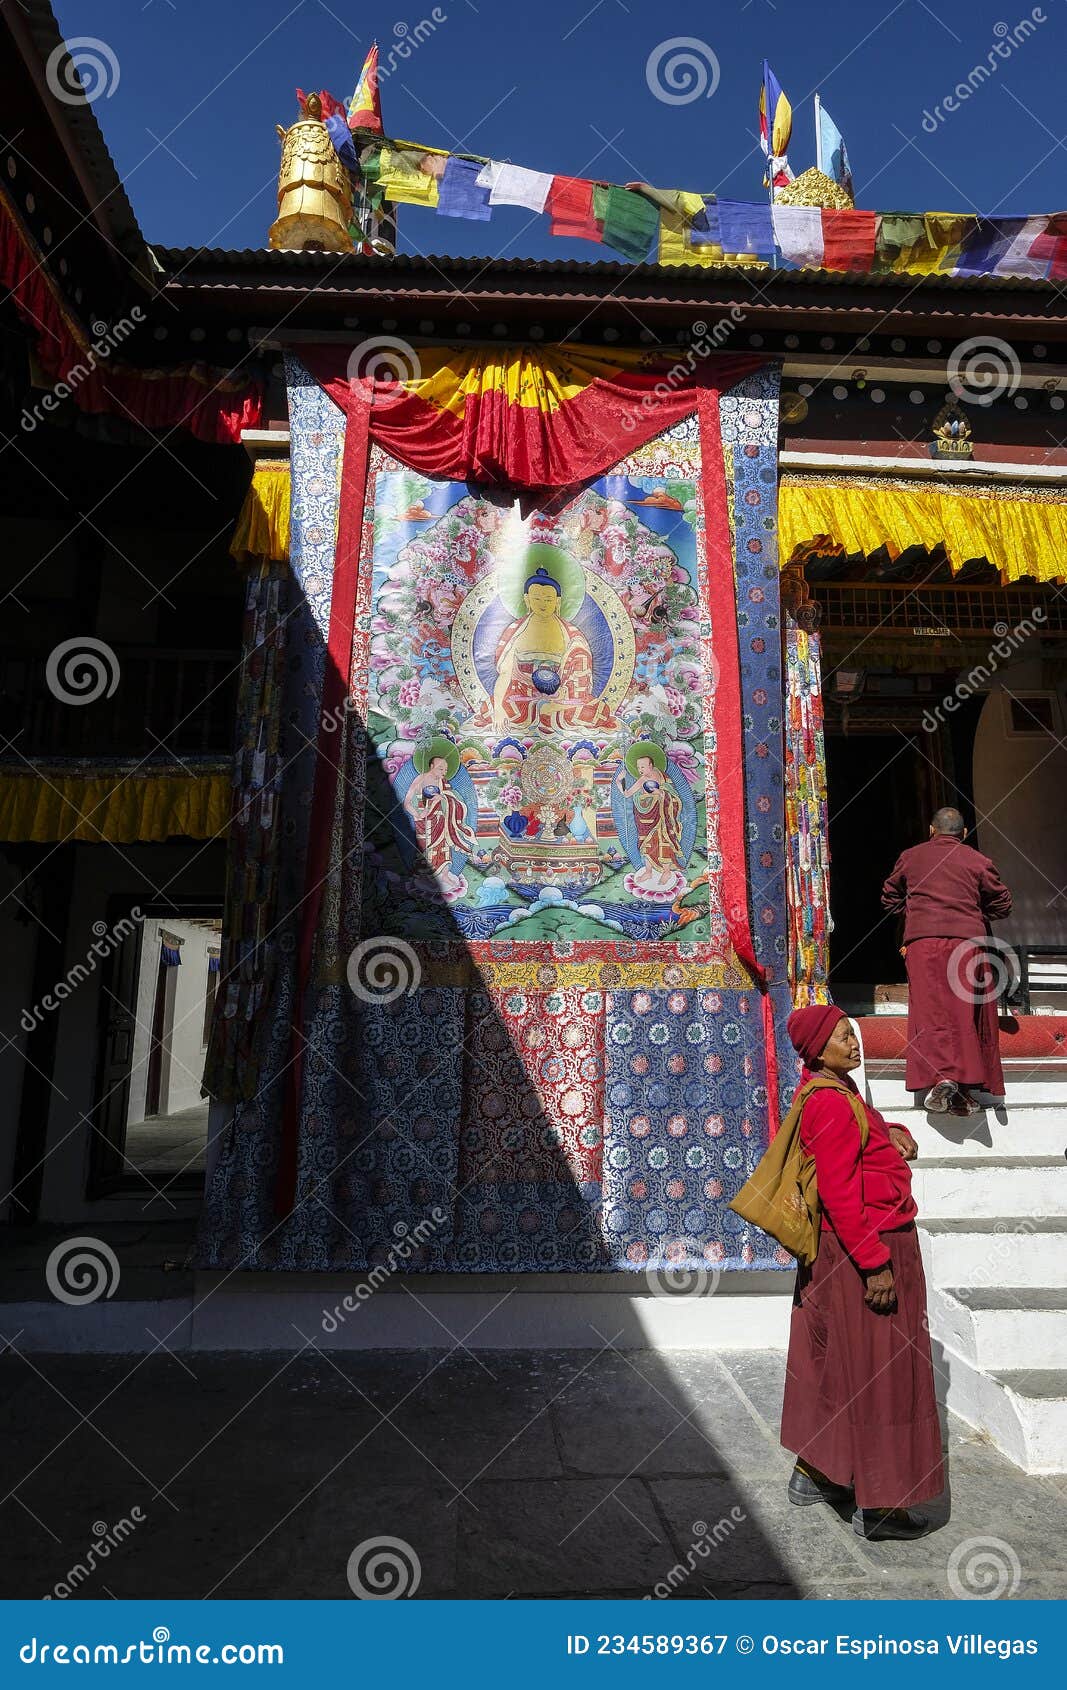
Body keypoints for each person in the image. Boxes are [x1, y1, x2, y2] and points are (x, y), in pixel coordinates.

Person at [779, 1004, 944, 1540]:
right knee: (885, 1375)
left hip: (841, 1253)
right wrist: (875, 1266)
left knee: (837, 1366)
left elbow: (857, 1140)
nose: (854, 1043)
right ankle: (884, 1506)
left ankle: (818, 1474)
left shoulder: (833, 1091)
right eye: (842, 1037)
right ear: (817, 1050)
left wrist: (891, 1130)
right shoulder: (830, 1102)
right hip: (866, 1247)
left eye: (853, 1033)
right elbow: (839, 1191)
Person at [881, 806, 1013, 1114]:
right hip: (968, 943)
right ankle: (963, 1086)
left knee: (930, 1011)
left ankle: (942, 1079)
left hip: (923, 944)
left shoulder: (910, 857)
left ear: (931, 830)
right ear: (964, 833)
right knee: (966, 1012)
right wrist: (972, 915)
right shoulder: (978, 861)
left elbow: (889, 897)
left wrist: (918, 914)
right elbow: (1003, 904)